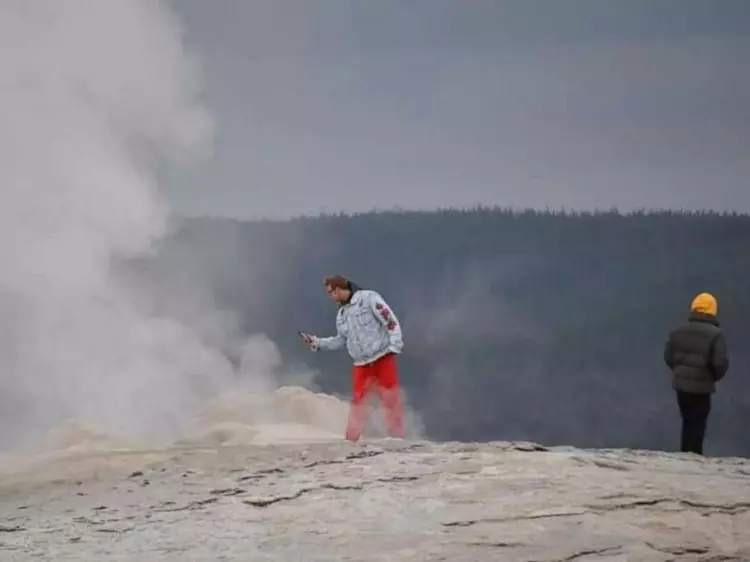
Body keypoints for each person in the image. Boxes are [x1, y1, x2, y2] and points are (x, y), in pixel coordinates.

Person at [300, 275, 405, 442]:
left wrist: (395, 345)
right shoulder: (342, 315)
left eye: (330, 292)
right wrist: (317, 342)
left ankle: (398, 438)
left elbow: (389, 320)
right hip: (361, 364)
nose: (330, 296)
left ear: (339, 289)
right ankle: (352, 439)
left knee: (390, 398)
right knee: (358, 402)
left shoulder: (369, 298)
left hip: (383, 357)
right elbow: (340, 340)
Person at [663, 292, 729, 455]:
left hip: (681, 385)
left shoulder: (677, 331)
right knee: (698, 422)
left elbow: (668, 356)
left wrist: (679, 371)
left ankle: (685, 453)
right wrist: (712, 376)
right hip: (702, 385)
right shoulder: (716, 334)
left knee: (687, 420)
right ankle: (694, 456)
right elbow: (720, 362)